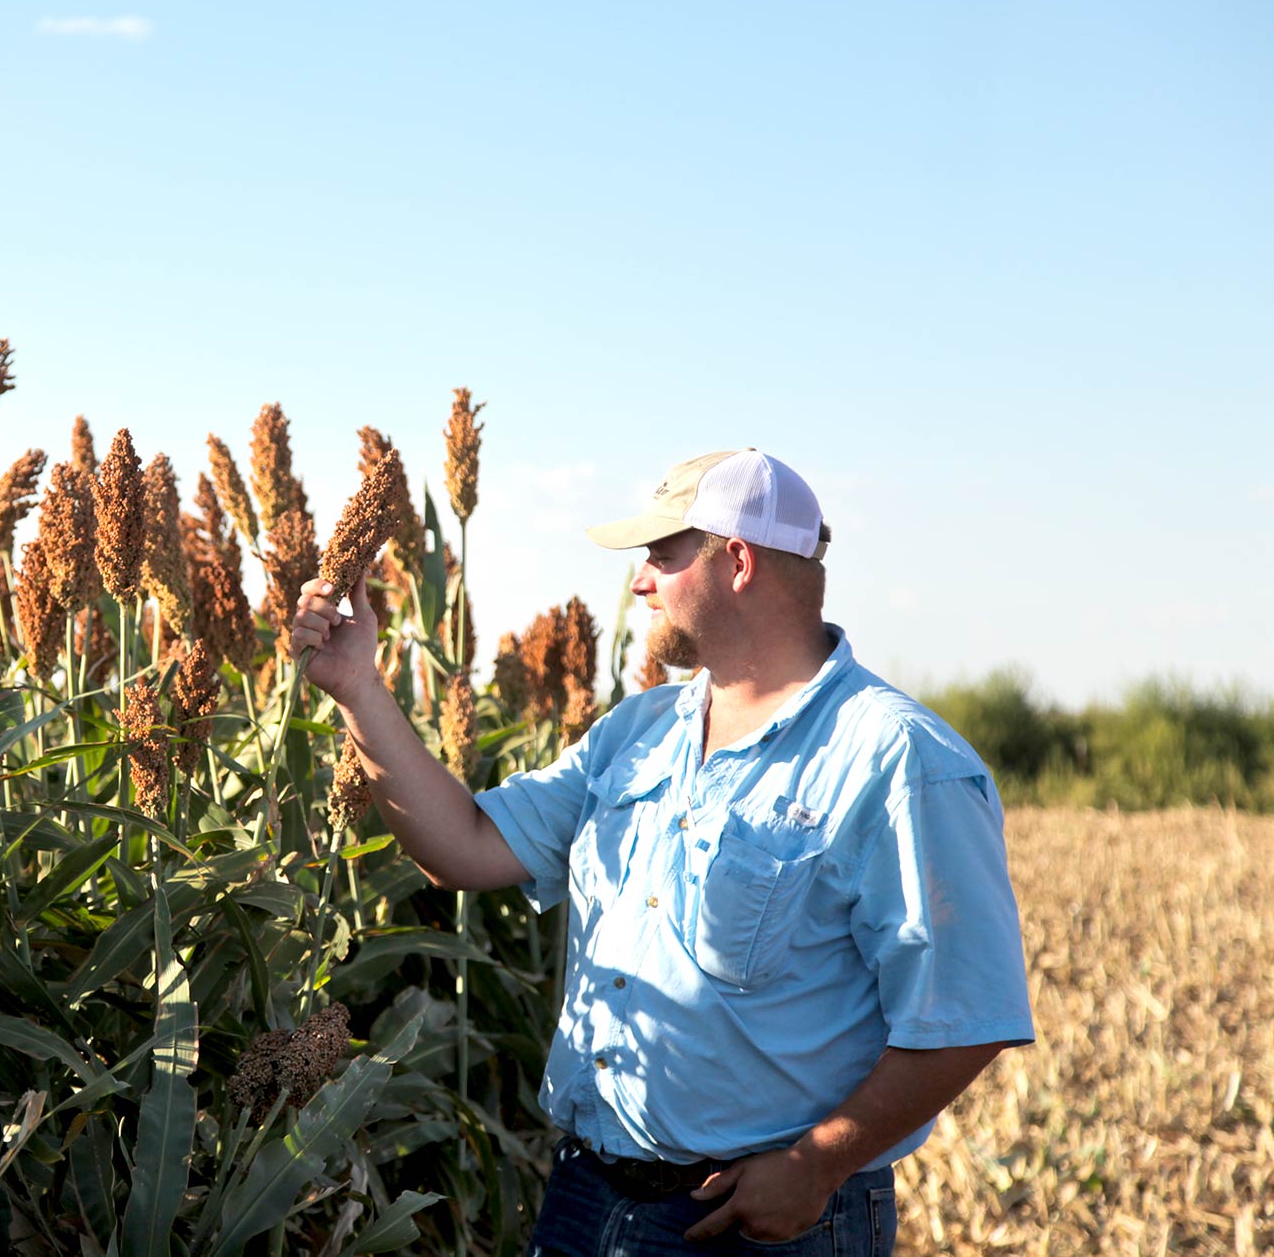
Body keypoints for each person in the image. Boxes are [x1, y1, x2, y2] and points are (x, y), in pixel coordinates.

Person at [289, 448, 1033, 1256]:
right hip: (587, 1196)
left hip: (758, 1220)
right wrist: (359, 687)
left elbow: (967, 1015)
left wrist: (818, 1164)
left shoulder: (899, 759)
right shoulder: (637, 734)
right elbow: (464, 846)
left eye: (662, 555)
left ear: (737, 561)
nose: (640, 580)